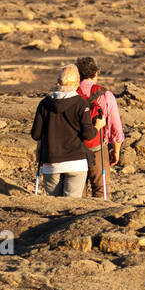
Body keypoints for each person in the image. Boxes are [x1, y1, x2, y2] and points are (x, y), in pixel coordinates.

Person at [31, 63, 102, 196]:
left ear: (58, 82)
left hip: (51, 162)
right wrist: (98, 126)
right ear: (76, 84)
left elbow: (36, 134)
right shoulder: (80, 104)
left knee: (54, 207)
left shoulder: (44, 103)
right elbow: (88, 135)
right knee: (71, 208)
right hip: (76, 163)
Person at [76, 55, 125, 197]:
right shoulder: (105, 95)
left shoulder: (72, 94)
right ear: (96, 72)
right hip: (98, 148)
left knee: (77, 192)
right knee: (101, 191)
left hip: (74, 148)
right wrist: (116, 151)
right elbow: (116, 127)